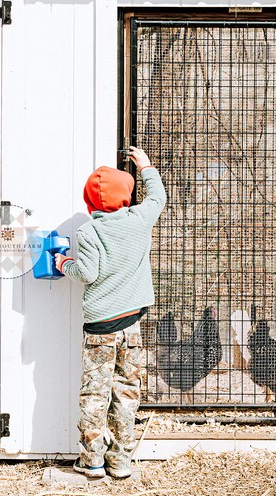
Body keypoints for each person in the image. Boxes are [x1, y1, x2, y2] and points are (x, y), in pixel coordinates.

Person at [54, 146, 166, 480]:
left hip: (100, 327)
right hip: (132, 323)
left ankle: (92, 462)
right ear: (128, 198)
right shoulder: (139, 218)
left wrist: (64, 263)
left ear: (89, 204)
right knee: (126, 391)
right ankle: (121, 462)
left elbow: (86, 273)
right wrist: (145, 166)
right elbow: (158, 197)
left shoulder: (89, 231)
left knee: (95, 393)